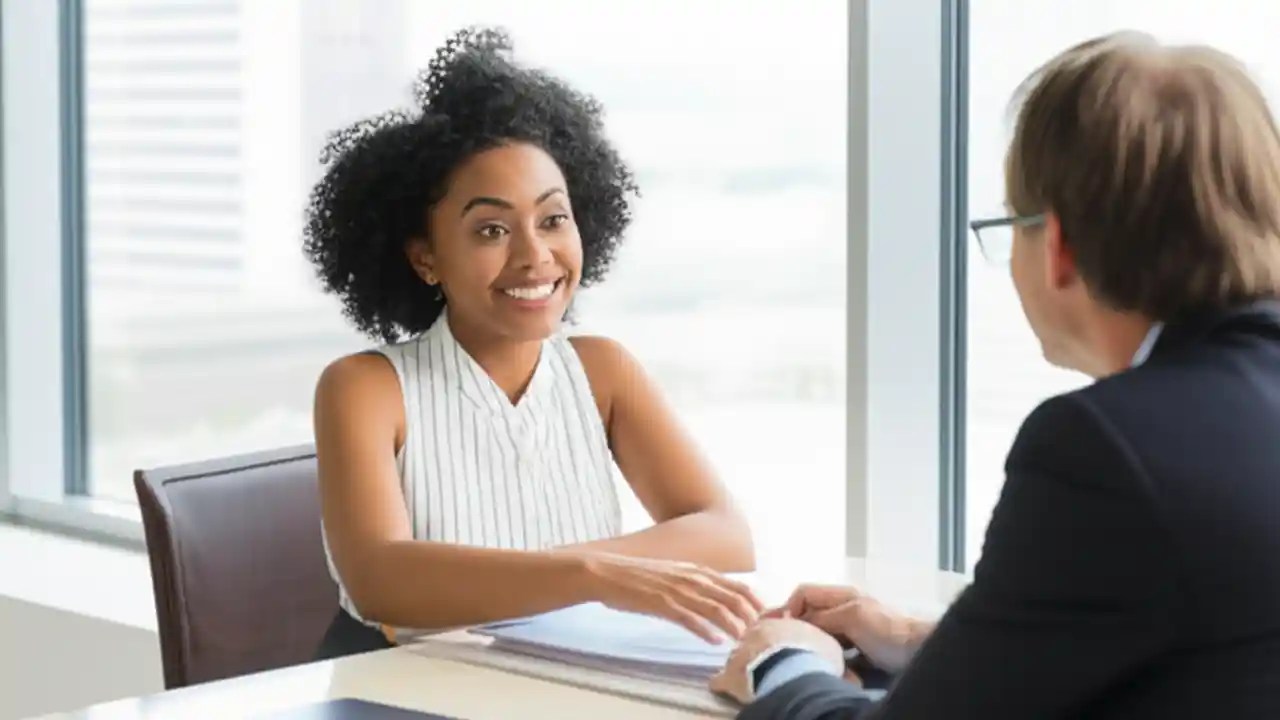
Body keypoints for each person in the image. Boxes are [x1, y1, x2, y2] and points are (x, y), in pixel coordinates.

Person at [714, 31, 1280, 719]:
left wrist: (784, 662)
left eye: (1012, 224)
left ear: (1059, 246)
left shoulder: (1105, 451)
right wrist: (929, 643)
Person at [304, 27, 759, 659]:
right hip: (399, 685)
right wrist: (593, 578)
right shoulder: (366, 388)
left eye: (552, 219)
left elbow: (726, 536)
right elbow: (381, 580)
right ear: (425, 257)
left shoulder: (602, 371)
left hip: (557, 674)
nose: (535, 257)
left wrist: (558, 578)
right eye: (491, 230)